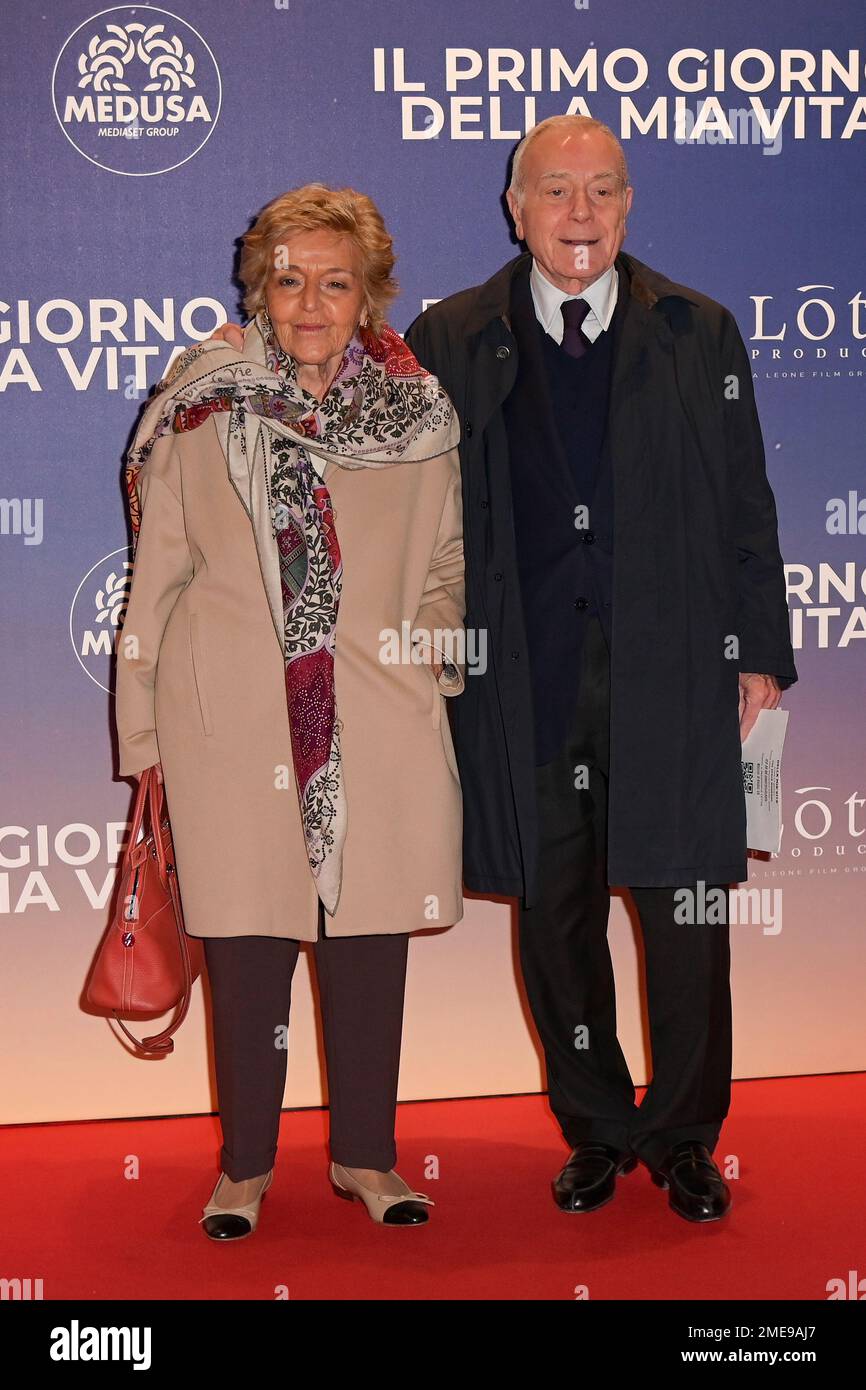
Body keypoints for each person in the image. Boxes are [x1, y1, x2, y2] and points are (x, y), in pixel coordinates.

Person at [401, 114, 797, 1223]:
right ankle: (595, 1127)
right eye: (556, 191)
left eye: (604, 190)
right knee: (555, 915)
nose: (581, 214)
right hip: (522, 675)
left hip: (668, 670)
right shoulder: (449, 337)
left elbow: (745, 503)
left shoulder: (697, 331)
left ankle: (680, 1135)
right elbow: (417, 514)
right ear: (513, 206)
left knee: (682, 912)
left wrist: (758, 648)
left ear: (629, 205)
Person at [115, 183, 465, 1240]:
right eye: (287, 279)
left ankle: (366, 1157)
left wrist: (432, 649)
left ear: (367, 297)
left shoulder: (420, 414)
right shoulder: (200, 400)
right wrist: (141, 736)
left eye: (334, 282)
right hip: (227, 721)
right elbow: (158, 575)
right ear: (257, 288)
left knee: (366, 951)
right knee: (248, 951)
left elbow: (445, 560)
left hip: (374, 716)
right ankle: (244, 1169)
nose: (309, 302)